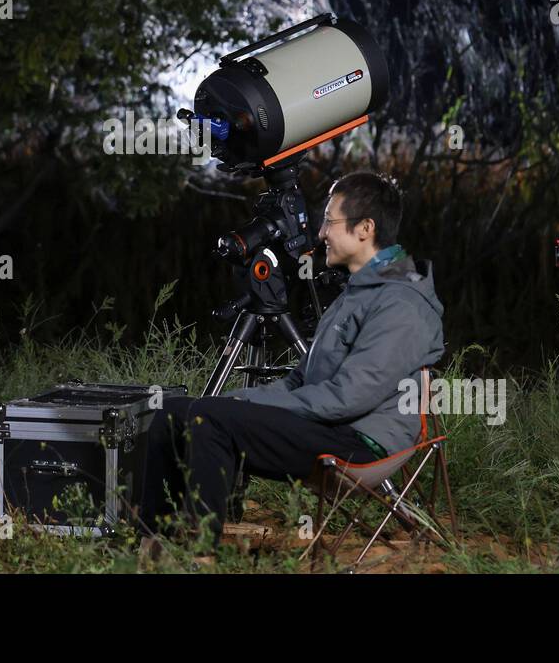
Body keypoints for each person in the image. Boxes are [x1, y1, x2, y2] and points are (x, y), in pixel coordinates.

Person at [138, 171, 445, 554]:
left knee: (209, 420)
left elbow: (348, 398)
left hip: (359, 441)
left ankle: (199, 554)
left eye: (330, 221)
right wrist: (242, 399)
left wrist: (238, 409)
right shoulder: (358, 292)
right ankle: (153, 543)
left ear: (365, 228)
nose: (320, 234)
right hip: (330, 423)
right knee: (170, 412)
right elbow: (299, 381)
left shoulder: (401, 303)